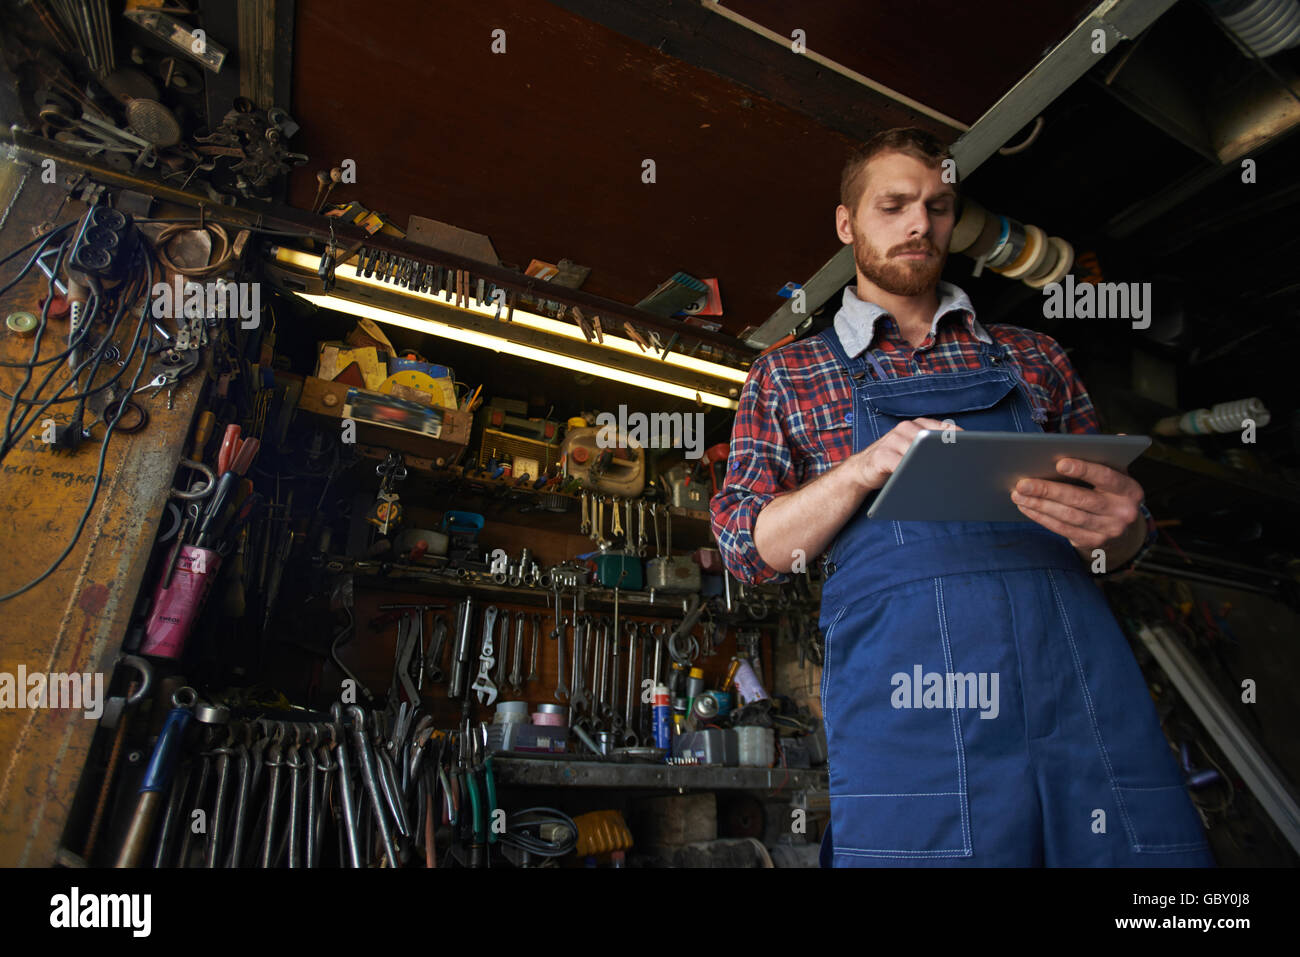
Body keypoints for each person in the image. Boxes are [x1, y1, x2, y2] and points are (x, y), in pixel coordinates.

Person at [710, 128, 1213, 867]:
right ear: (848, 224)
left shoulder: (1034, 356)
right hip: (916, 719)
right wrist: (857, 470)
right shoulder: (788, 374)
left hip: (1078, 696)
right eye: (895, 205)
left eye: (939, 206)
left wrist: (1121, 533)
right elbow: (746, 550)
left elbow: (1118, 542)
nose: (921, 224)